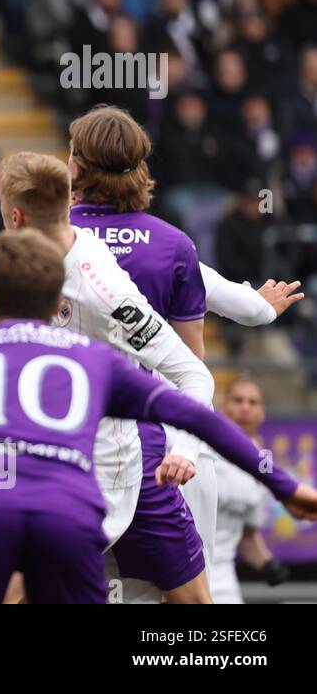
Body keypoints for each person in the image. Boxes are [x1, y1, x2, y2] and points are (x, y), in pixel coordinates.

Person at [0, 229, 317, 603]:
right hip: (68, 518)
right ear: (59, 301)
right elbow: (199, 416)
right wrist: (284, 487)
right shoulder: (94, 362)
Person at [0, 152, 217, 602]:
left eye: (3, 218)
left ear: (17, 216)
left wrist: (186, 451)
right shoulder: (35, 262)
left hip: (115, 469)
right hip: (54, 456)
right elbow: (3, 317)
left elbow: (193, 374)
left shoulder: (104, 292)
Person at [67, 105, 218, 602]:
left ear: (76, 166)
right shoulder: (173, 245)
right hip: (143, 448)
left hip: (55, 438)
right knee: (191, 599)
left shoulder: (42, 238)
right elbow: (188, 370)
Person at [212, 376, 289, 603]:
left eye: (253, 402)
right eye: (238, 400)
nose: (245, 407)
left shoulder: (264, 467)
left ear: (261, 412)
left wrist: (267, 563)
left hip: (224, 577)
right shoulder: (196, 447)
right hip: (182, 573)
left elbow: (247, 535)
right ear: (223, 405)